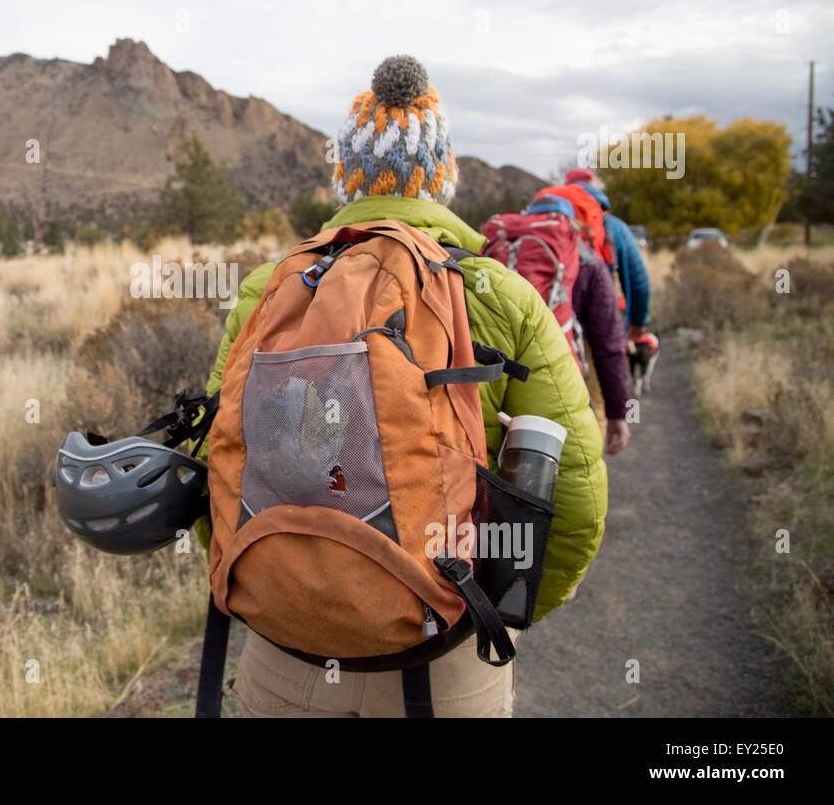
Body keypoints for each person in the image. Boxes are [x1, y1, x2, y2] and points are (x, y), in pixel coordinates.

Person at [195, 55, 608, 717]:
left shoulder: (265, 289)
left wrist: (271, 586)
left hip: (285, 657)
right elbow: (577, 491)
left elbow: (211, 461)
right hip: (442, 656)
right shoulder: (499, 292)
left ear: (346, 178)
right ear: (440, 178)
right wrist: (506, 606)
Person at [525, 194, 631, 456]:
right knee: (580, 458)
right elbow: (609, 344)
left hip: (515, 378)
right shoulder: (589, 263)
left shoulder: (507, 255)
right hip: (573, 379)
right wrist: (619, 412)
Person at [564, 168, 652, 342]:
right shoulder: (612, 225)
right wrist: (638, 325)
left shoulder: (549, 224)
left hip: (556, 326)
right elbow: (639, 283)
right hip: (599, 324)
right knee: (609, 364)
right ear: (595, 188)